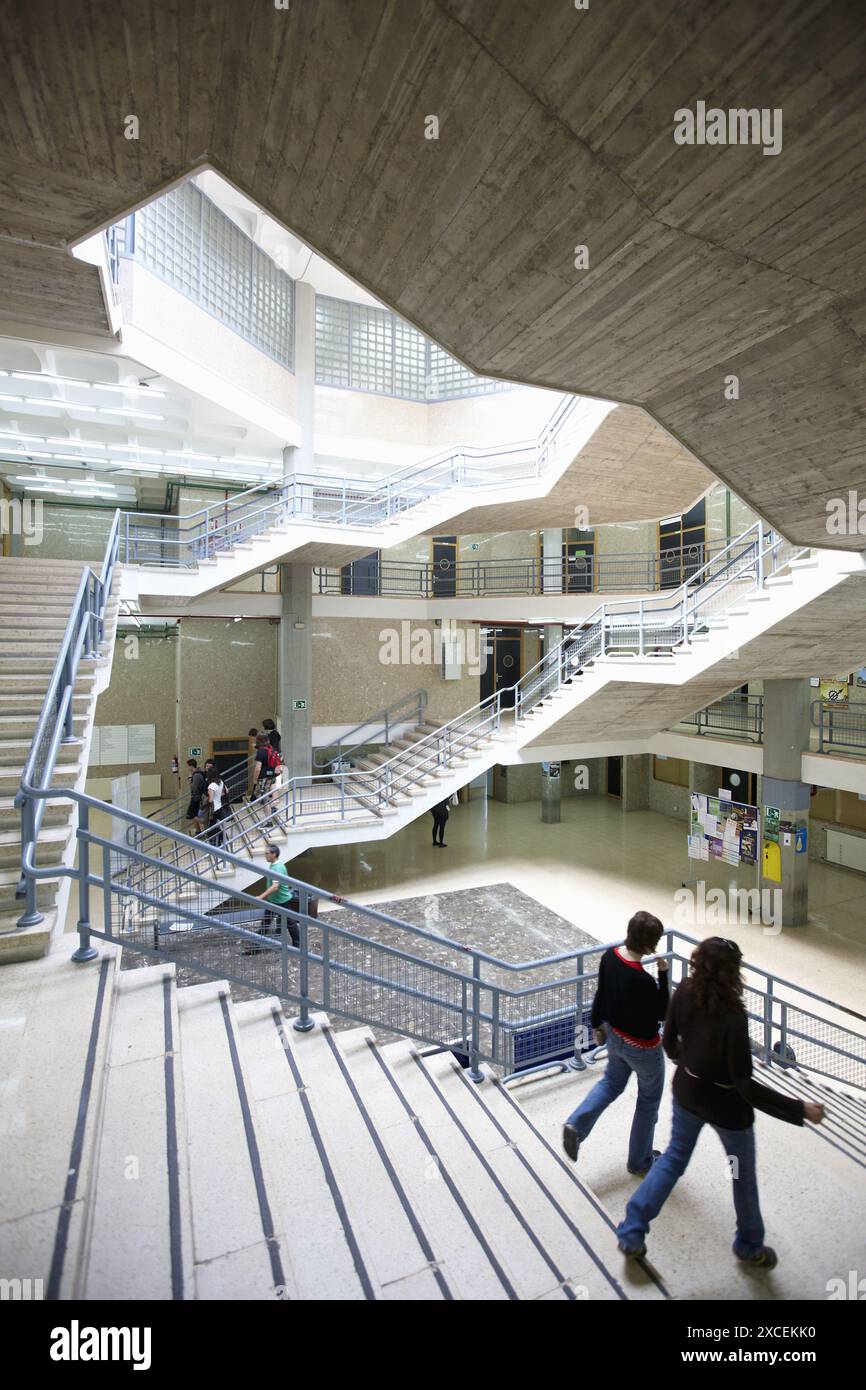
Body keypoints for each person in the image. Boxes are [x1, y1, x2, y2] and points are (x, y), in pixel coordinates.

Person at [616, 937, 825, 1266]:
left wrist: (690, 1064)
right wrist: (800, 1109)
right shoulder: (733, 1016)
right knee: (741, 1175)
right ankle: (749, 1245)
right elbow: (745, 1085)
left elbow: (669, 1043)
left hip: (688, 1093)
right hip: (728, 1109)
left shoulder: (683, 990)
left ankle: (632, 1230)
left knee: (672, 1160)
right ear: (733, 973)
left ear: (698, 962)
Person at [562, 911, 669, 1177]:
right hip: (644, 1049)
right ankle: (639, 1161)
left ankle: (576, 1124)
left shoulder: (610, 957)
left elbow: (601, 992)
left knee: (610, 1084)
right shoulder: (644, 981)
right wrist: (664, 976)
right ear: (649, 944)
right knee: (648, 1101)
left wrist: (596, 1023)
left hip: (615, 1037)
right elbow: (662, 1013)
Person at [250, 732, 280, 827]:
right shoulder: (271, 749)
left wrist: (254, 780)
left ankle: (269, 821)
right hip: (271, 776)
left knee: (264, 800)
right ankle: (271, 809)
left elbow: (258, 768)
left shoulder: (261, 752)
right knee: (264, 798)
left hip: (263, 778)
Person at [205, 769, 230, 863]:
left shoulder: (212, 785)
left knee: (212, 826)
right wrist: (218, 796)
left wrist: (206, 800)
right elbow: (226, 791)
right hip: (219, 806)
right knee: (213, 825)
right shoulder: (221, 782)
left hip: (213, 809)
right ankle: (219, 841)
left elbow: (210, 800)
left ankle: (219, 841)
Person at [185, 759, 207, 836]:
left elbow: (194, 788)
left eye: (188, 766)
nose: (187, 768)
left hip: (196, 798)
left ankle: (206, 822)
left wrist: (190, 779)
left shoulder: (196, 775)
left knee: (191, 815)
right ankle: (198, 831)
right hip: (197, 797)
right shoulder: (196, 774)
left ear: (191, 766)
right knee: (193, 815)